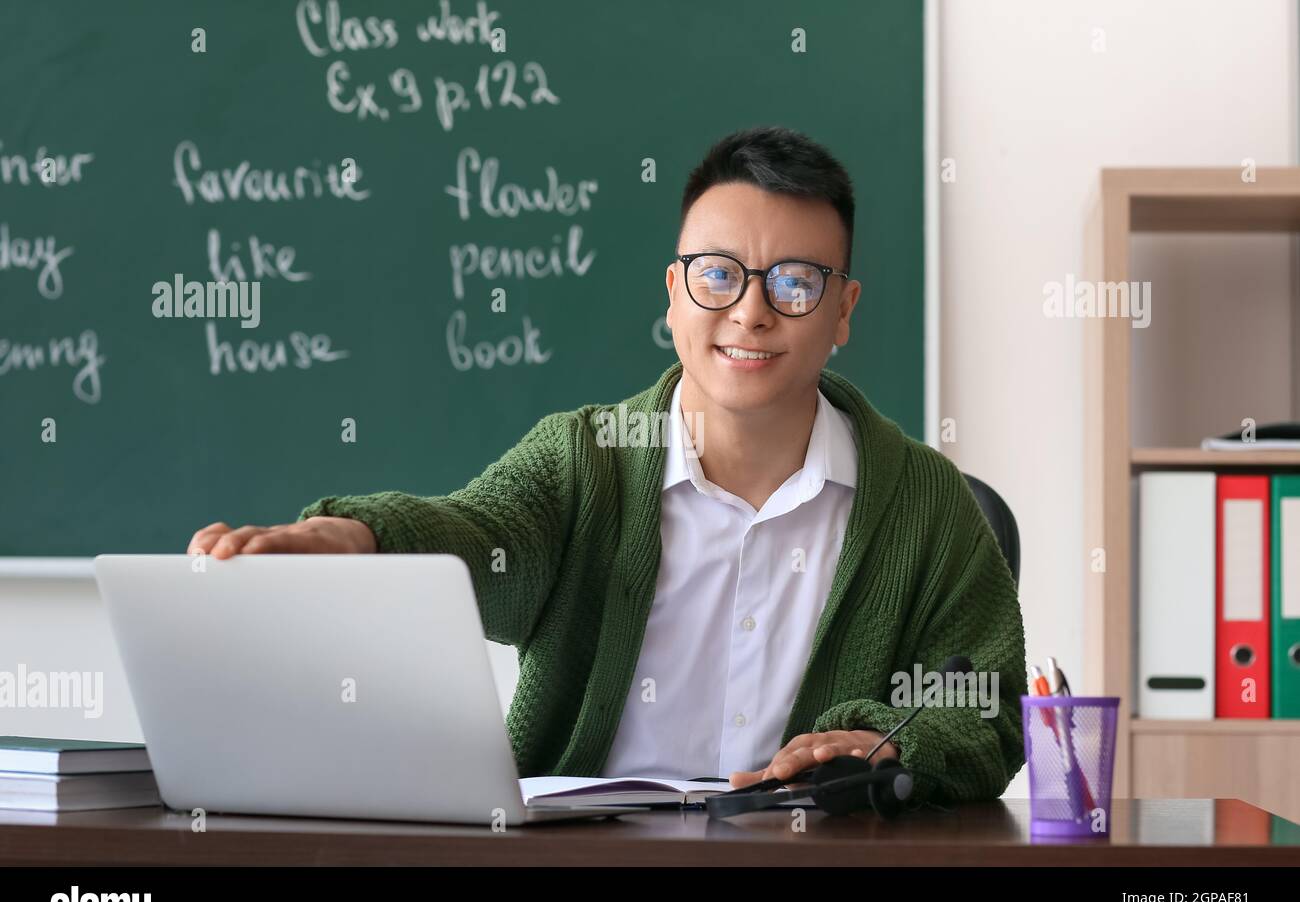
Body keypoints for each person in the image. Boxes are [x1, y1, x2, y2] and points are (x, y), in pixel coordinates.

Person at [188, 126, 1026, 802]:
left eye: (795, 283)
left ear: (842, 310)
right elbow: (479, 537)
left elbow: (987, 712)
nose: (751, 312)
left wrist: (888, 740)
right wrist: (363, 537)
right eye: (718, 277)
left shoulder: (925, 502)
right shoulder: (585, 460)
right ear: (673, 294)